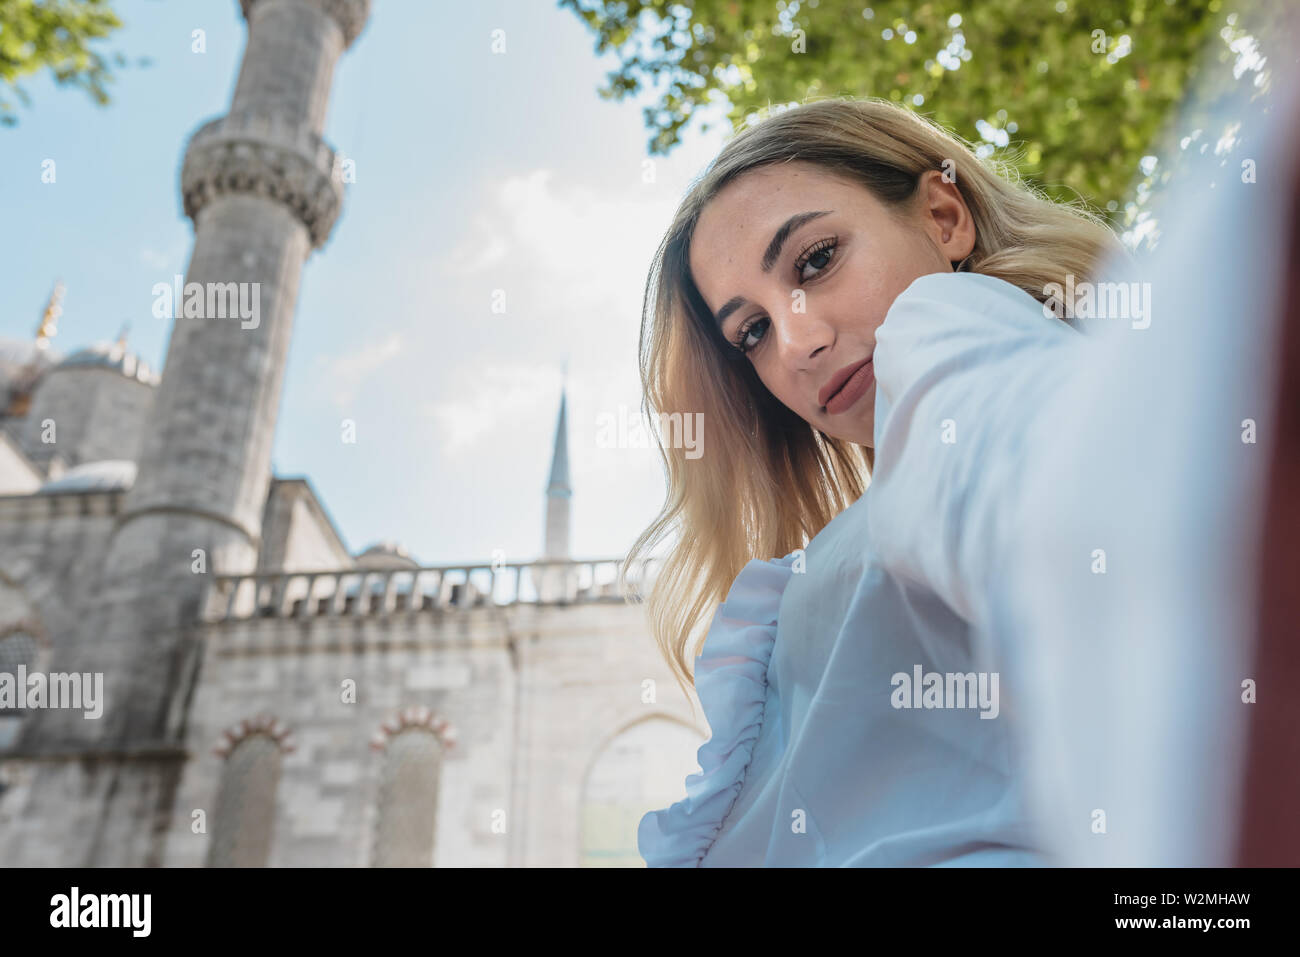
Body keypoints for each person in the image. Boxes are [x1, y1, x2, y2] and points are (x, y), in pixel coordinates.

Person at [629, 95, 1128, 866]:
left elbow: (1057, 515)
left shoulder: (945, 323)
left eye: (816, 260)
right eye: (752, 331)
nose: (796, 342)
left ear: (942, 214)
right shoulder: (860, 527)